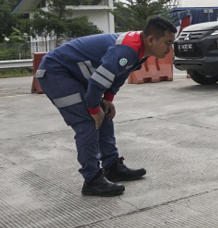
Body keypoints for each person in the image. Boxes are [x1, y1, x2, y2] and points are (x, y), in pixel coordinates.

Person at [36, 16, 177, 196]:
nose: (169, 49)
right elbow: (96, 84)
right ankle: (92, 180)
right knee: (88, 122)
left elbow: (118, 74)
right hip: (55, 72)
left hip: (74, 74)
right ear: (151, 39)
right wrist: (94, 109)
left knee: (106, 115)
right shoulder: (127, 50)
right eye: (168, 43)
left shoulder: (138, 49)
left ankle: (112, 167)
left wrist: (108, 99)